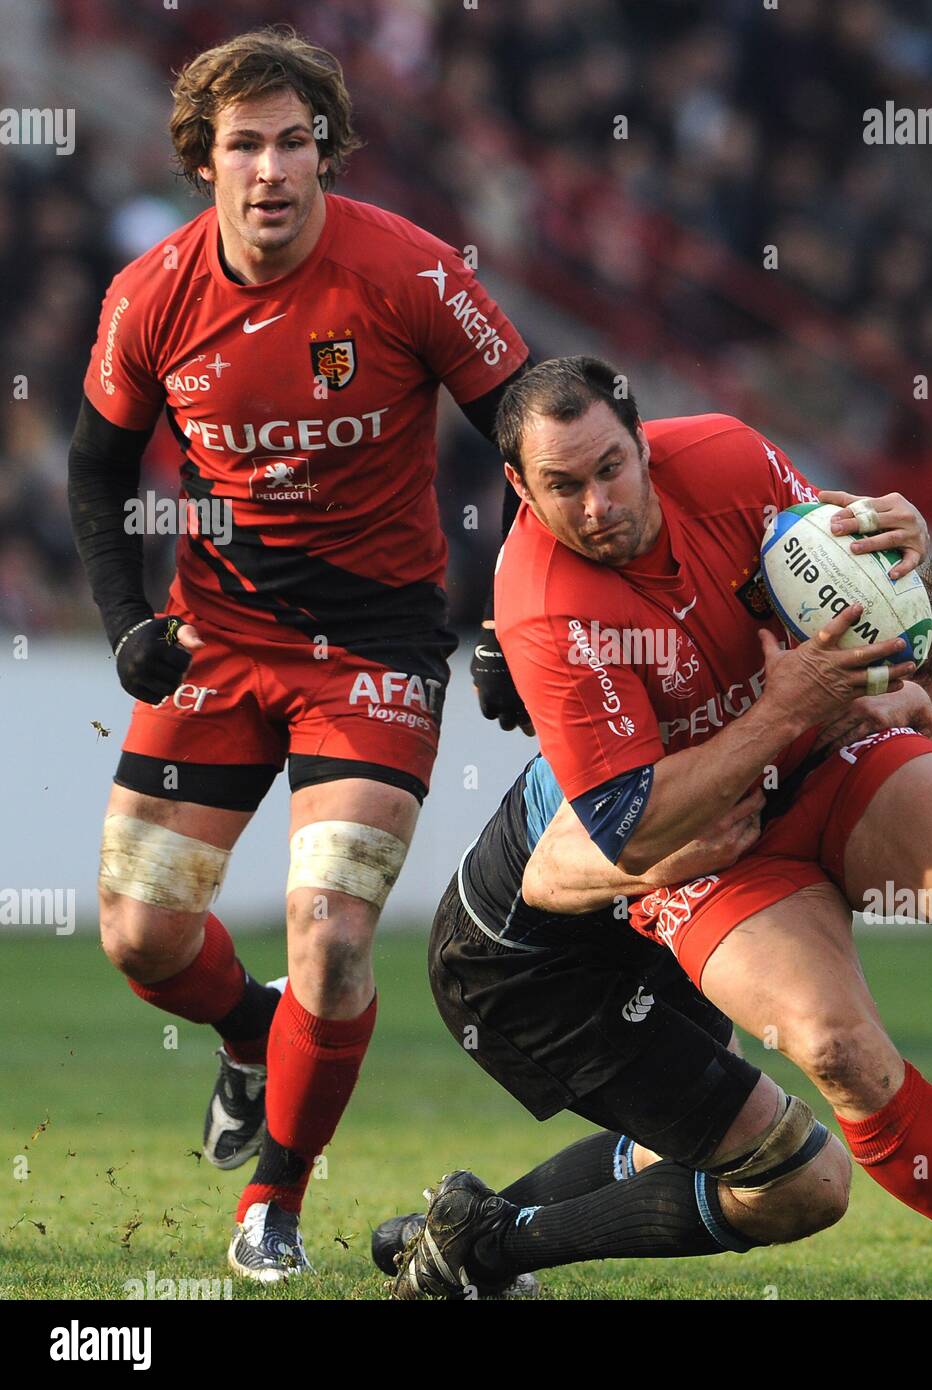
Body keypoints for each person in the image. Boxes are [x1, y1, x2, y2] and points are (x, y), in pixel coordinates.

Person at [384, 356, 932, 1299]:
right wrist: (780, 712)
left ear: (642, 443)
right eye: (563, 486)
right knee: (835, 1060)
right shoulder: (543, 605)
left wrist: (899, 544)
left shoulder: (729, 456)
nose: (598, 504)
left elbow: (827, 569)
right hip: (710, 853)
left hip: (823, 762)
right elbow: (629, 831)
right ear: (519, 488)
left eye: (611, 468)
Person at [67, 26, 530, 1281]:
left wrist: (510, 618)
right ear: (201, 162)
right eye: (245, 145)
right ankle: (248, 1029)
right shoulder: (152, 293)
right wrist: (126, 625)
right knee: (140, 939)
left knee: (329, 932)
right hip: (217, 636)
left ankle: (271, 1196)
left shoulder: (413, 273)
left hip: (375, 649)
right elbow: (99, 469)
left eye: (294, 141)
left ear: (324, 149)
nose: (273, 168)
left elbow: (535, 429)